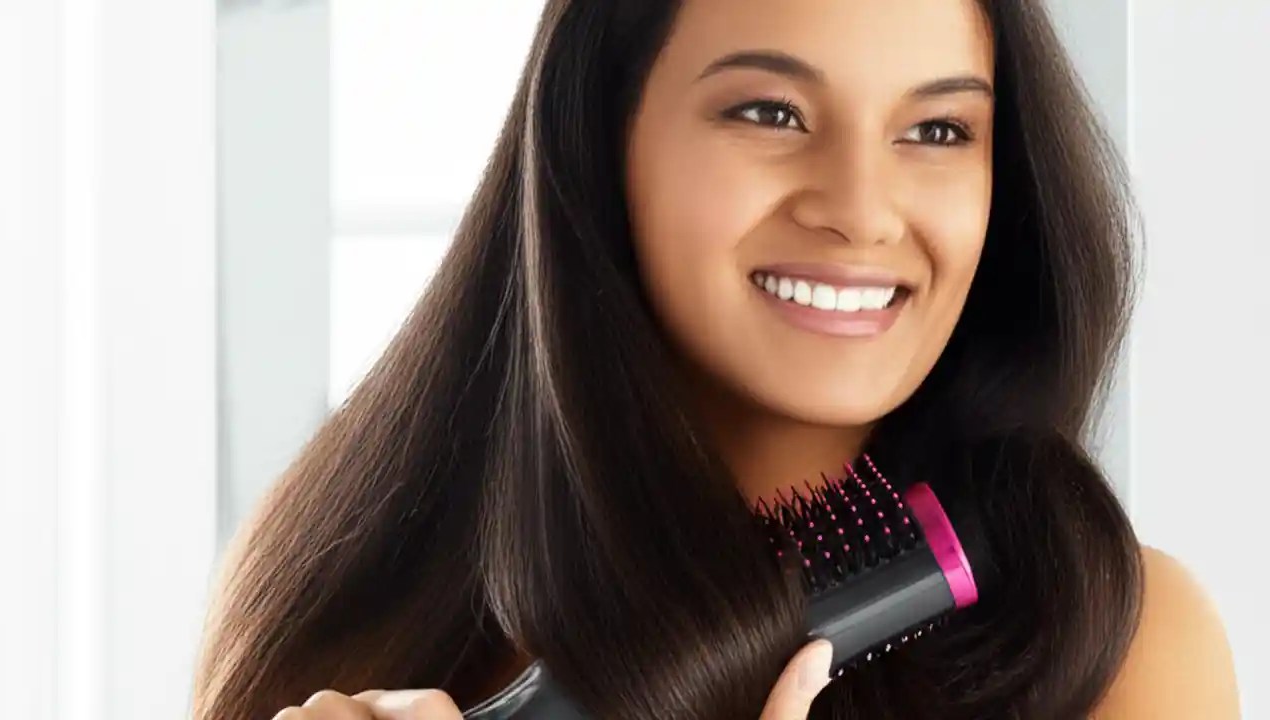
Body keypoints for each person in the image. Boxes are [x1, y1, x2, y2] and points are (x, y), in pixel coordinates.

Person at [192, 1, 1241, 718]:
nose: (861, 212)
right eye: (768, 112)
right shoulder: (344, 580)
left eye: (933, 129)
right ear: (602, 136)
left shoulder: (1118, 653)